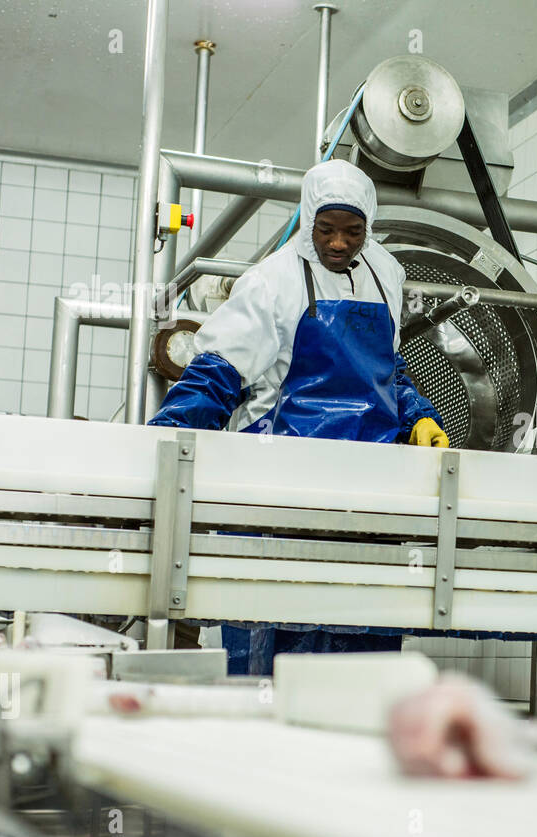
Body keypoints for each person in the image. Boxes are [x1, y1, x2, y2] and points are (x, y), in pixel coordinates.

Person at [150, 160, 449, 674]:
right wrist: (158, 449)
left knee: (361, 652)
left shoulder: (387, 274)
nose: (339, 243)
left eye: (354, 232)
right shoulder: (273, 282)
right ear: (308, 219)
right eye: (327, 230)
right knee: (276, 652)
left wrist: (417, 415)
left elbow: (388, 369)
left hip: (369, 499)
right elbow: (217, 373)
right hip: (281, 495)